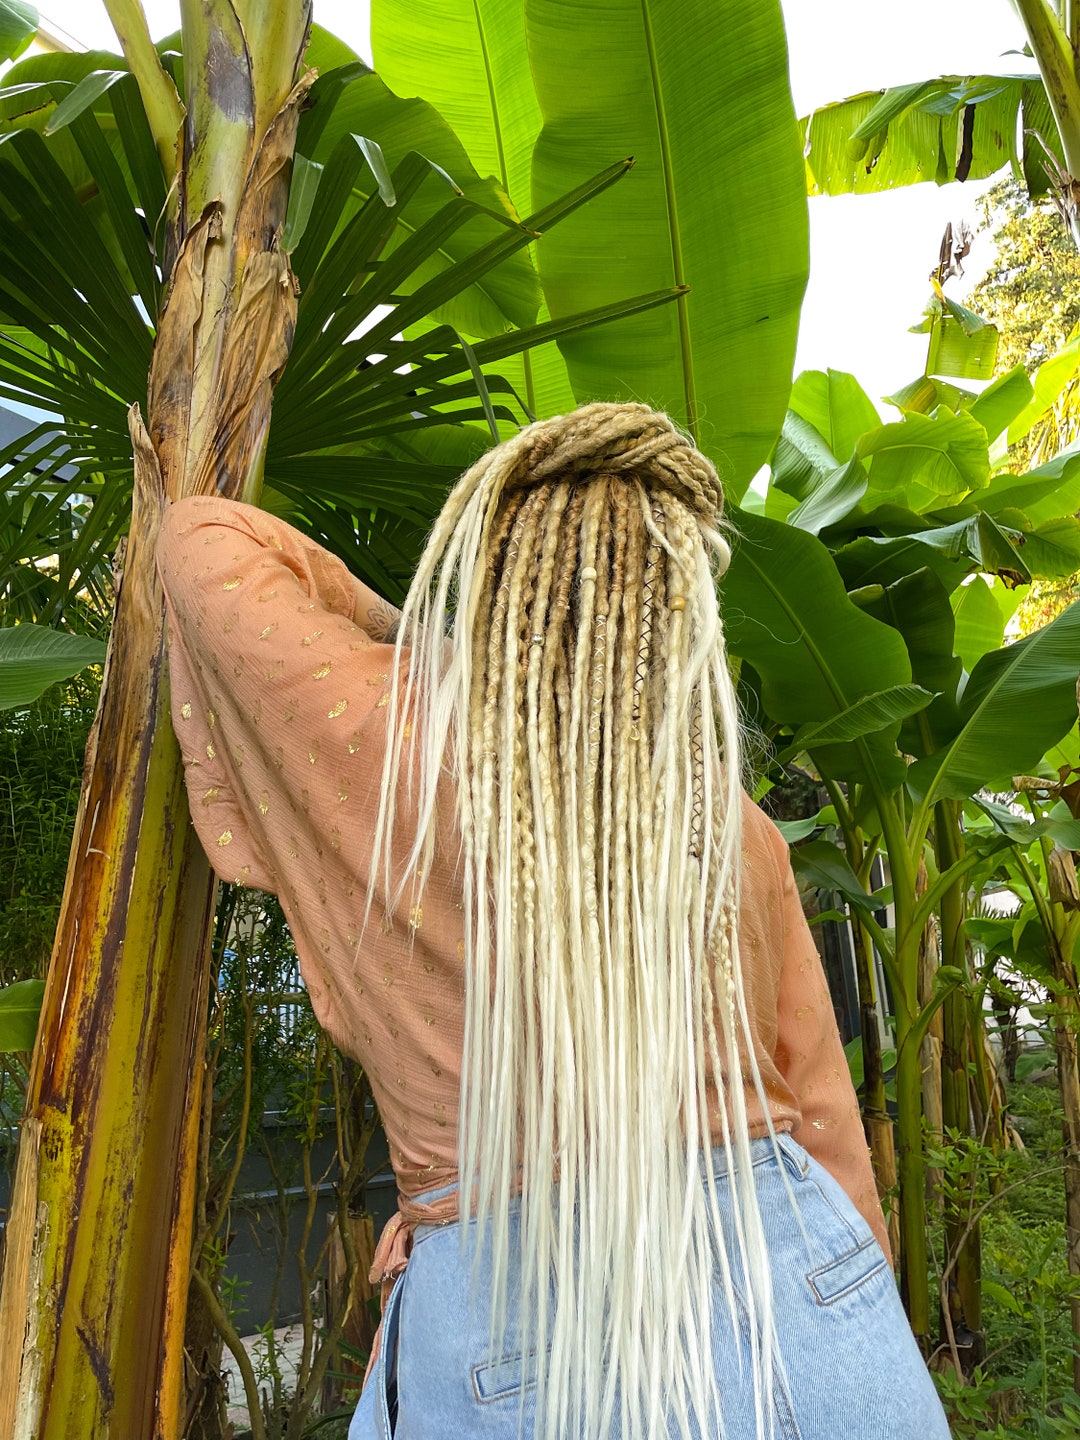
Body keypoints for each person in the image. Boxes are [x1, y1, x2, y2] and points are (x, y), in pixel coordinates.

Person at [156, 403, 950, 1440]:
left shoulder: (383, 747)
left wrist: (422, 638)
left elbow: (199, 542)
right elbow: (822, 1116)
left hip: (515, 1334)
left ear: (498, 581)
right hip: (811, 1297)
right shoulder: (727, 821)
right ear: (678, 613)